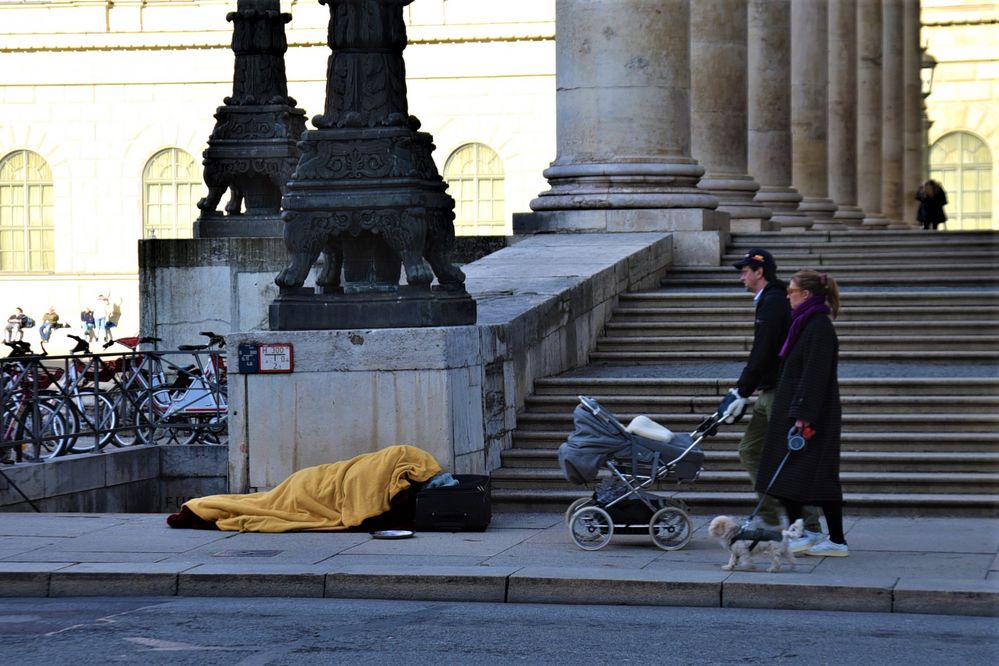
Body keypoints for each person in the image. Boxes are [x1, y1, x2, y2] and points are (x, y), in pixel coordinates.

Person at [719, 250, 823, 545]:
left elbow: (764, 351)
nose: (742, 276)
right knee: (750, 450)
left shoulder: (774, 301)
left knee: (785, 459)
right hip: (769, 390)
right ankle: (770, 513)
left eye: (745, 271)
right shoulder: (769, 300)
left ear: (759, 272)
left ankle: (810, 525)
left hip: (781, 391)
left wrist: (741, 390)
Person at [756, 270, 848, 557]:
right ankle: (806, 533)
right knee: (785, 476)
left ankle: (836, 541)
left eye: (792, 291)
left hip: (810, 416)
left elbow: (815, 375)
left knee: (820, 478)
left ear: (806, 294)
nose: (787, 295)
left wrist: (803, 415)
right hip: (795, 410)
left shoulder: (818, 326)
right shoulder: (805, 323)